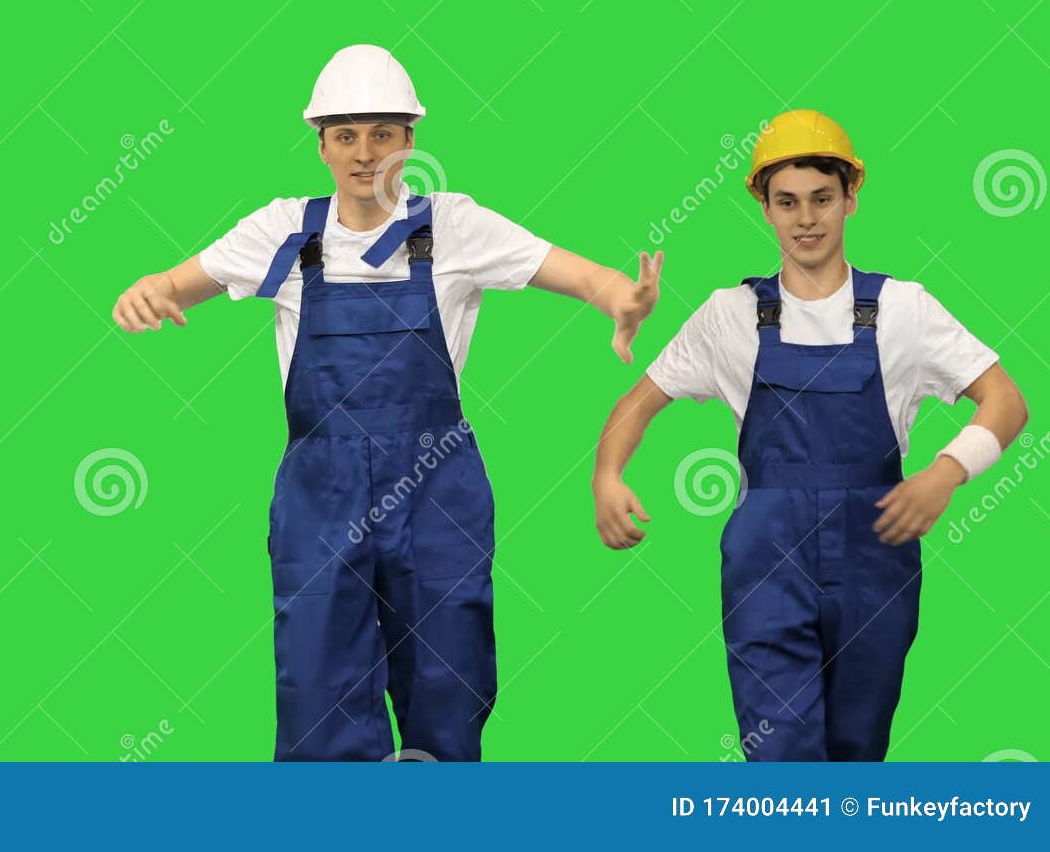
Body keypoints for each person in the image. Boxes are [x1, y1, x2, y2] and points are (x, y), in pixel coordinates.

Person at [113, 44, 663, 760]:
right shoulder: (282, 230)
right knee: (317, 690)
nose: (364, 153)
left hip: (437, 487)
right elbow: (175, 283)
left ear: (410, 141)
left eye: (382, 134)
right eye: (346, 136)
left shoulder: (455, 225)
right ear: (320, 144)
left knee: (449, 686)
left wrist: (625, 297)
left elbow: (579, 274)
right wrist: (146, 292)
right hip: (320, 491)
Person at [590, 109, 1028, 760]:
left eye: (822, 199)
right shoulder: (730, 315)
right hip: (767, 567)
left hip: (876, 561)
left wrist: (947, 470)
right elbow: (638, 402)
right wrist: (607, 474)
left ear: (851, 197)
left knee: (857, 754)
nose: (806, 219)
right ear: (764, 209)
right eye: (786, 202)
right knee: (780, 756)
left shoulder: (905, 309)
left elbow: (1007, 401)